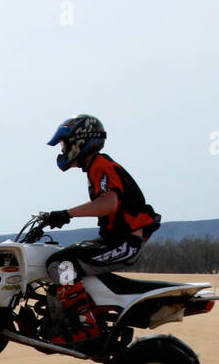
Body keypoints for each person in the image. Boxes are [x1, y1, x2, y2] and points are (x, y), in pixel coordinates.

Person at [41, 114, 161, 345]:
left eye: (66, 144)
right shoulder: (96, 167)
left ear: (81, 141)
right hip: (116, 240)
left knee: (62, 265)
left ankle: (87, 325)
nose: (64, 150)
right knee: (59, 257)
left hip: (126, 244)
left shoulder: (101, 166)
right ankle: (72, 317)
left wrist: (66, 214)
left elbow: (109, 203)